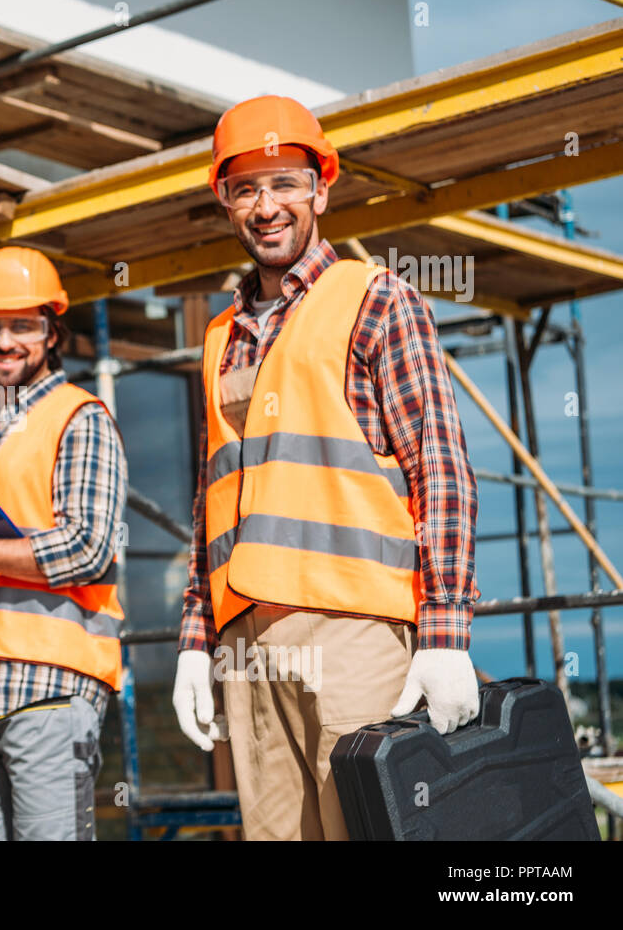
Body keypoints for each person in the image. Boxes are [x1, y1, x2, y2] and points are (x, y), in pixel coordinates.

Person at [172, 95, 481, 840]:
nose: (265, 205)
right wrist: (193, 642)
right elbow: (216, 505)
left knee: (374, 830)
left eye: (284, 183)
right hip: (247, 647)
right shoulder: (219, 335)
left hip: (354, 633)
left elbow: (440, 466)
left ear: (321, 187)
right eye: (245, 188)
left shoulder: (376, 301)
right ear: (224, 199)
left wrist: (446, 632)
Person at [0, 247, 128, 840]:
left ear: (52, 332)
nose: (4, 341)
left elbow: (86, 549)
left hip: (49, 687)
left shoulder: (80, 418)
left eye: (22, 326)